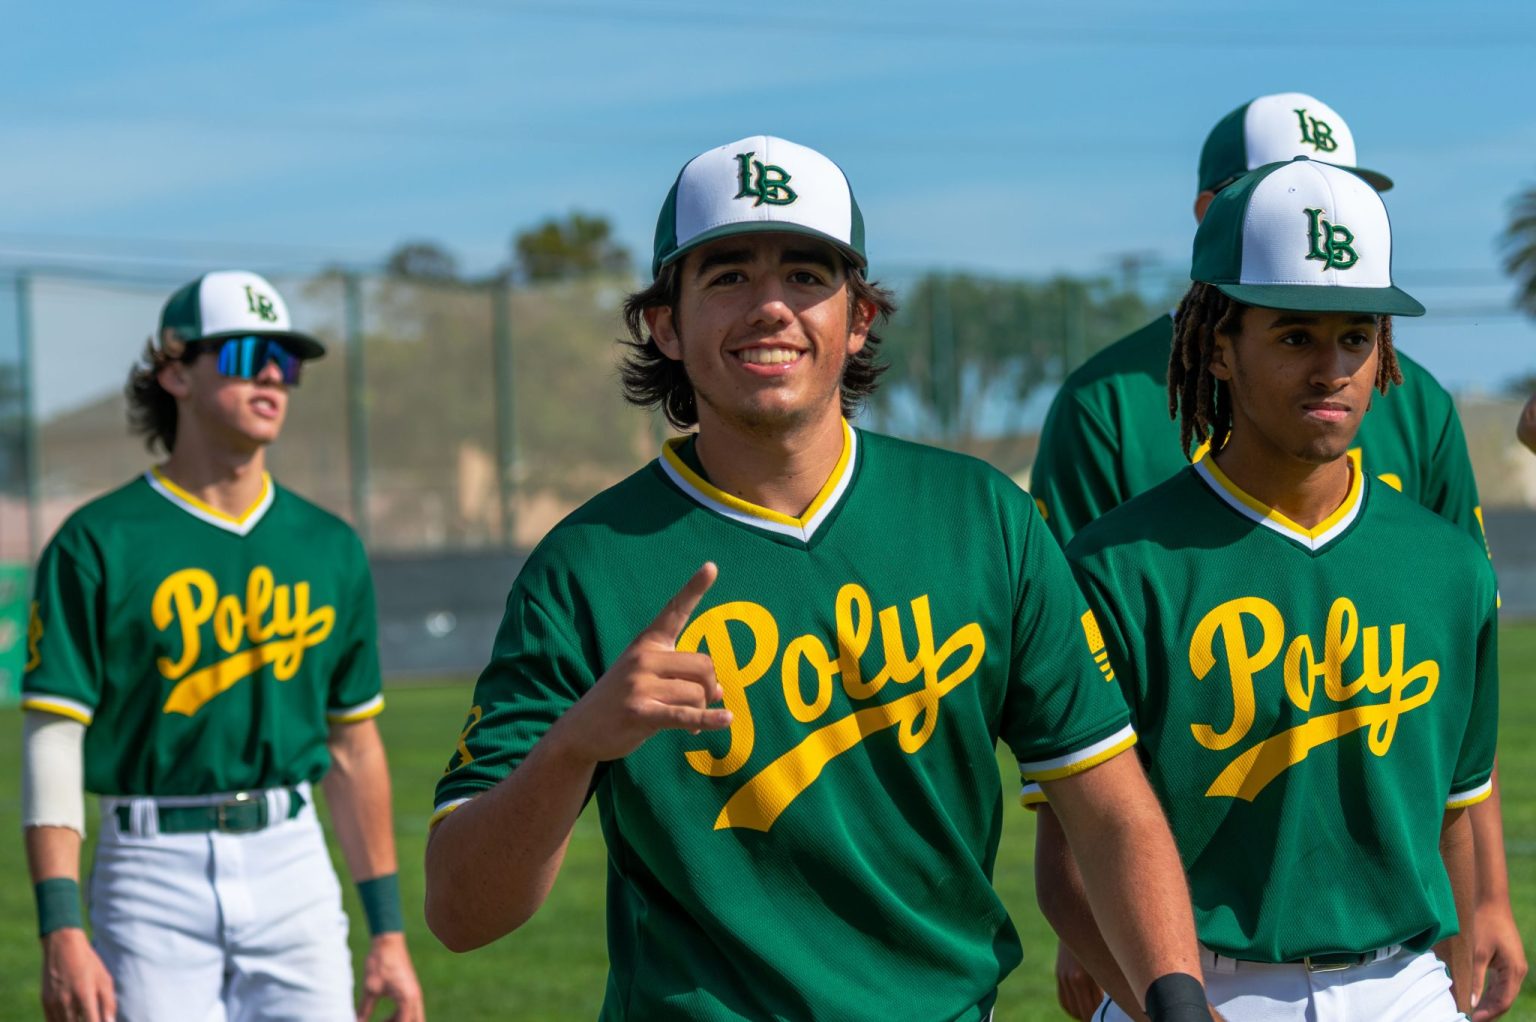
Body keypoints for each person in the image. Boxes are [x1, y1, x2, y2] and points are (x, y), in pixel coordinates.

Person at [424, 135, 1218, 1021]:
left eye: (806, 277)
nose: (771, 307)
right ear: (666, 325)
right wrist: (576, 744)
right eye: (727, 276)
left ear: (859, 318)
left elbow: (1108, 809)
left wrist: (1176, 1002)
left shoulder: (982, 518)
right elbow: (461, 912)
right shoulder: (587, 563)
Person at [1030, 94, 1524, 1022]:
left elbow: (1459, 799)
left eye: (1354, 336)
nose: (1330, 367)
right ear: (1218, 346)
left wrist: (1483, 907)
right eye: (1293, 334)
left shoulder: (1445, 566)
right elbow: (1073, 852)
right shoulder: (1118, 565)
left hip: (1403, 982)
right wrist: (1153, 995)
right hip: (1197, 977)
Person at [20, 271, 424, 1022]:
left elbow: (354, 748)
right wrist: (60, 926)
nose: (273, 373)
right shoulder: (97, 541)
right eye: (245, 354)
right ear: (175, 371)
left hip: (293, 861)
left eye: (287, 358)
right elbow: (53, 740)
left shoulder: (329, 546)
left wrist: (389, 933)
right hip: (148, 865)